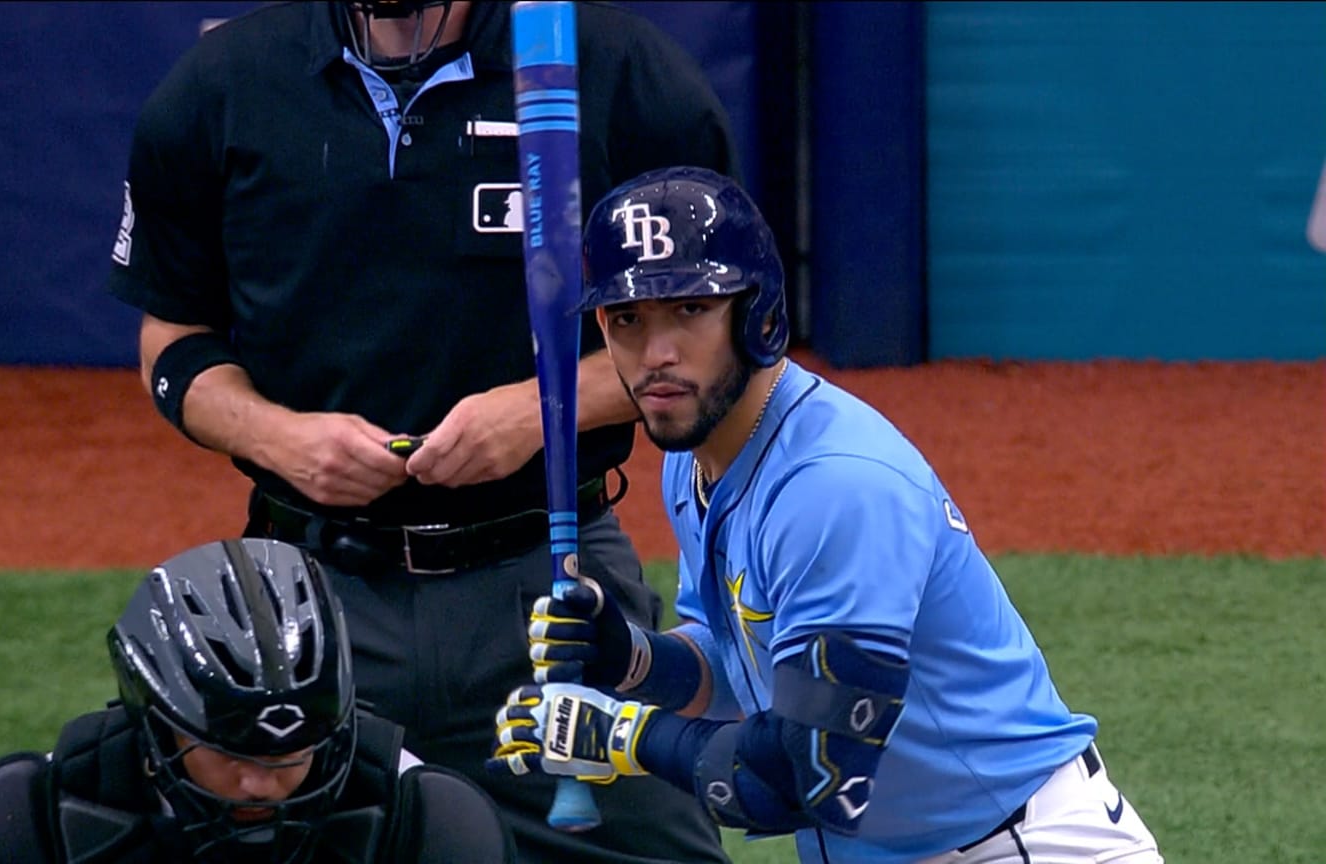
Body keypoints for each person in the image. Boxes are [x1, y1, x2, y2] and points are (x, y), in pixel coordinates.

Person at [104, 3, 737, 863]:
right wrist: (278, 437)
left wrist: (537, 410)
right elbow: (172, 343)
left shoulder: (620, 75)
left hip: (548, 585)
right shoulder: (223, 87)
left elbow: (712, 337)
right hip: (315, 604)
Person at [490, 166, 1167, 864]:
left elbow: (809, 774)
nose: (656, 354)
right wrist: (632, 659)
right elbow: (743, 667)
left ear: (756, 313)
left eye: (690, 310)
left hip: (1015, 847)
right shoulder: (693, 459)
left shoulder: (836, 487)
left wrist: (622, 737)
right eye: (629, 319)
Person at [0, 537, 513, 864]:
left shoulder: (426, 823)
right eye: (231, 756)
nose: (259, 785)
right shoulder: (35, 821)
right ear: (158, 723)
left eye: (289, 757)